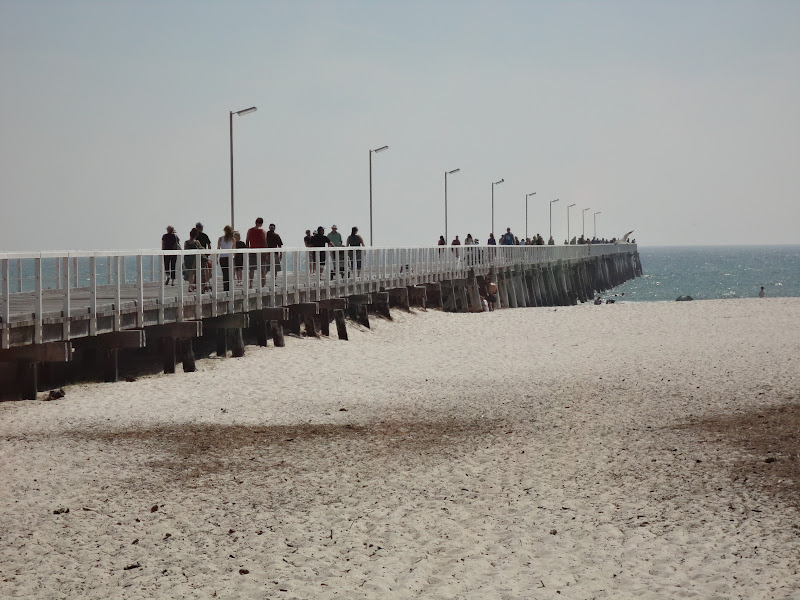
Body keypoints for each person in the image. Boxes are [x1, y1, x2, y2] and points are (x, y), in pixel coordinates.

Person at [246, 217, 268, 287]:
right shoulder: (262, 231)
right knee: (262, 269)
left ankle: (251, 283)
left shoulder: (250, 230)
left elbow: (247, 241)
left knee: (251, 269)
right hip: (261, 252)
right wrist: (266, 253)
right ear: (261, 224)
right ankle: (262, 284)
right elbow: (265, 242)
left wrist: (248, 249)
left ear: (255, 222)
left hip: (252, 251)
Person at [183, 227, 202, 292]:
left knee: (190, 272)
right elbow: (201, 249)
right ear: (196, 235)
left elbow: (185, 250)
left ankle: (191, 285)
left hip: (187, 259)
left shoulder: (186, 242)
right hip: (194, 259)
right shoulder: (196, 242)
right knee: (193, 273)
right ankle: (191, 286)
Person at [217, 225, 234, 292]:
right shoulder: (233, 239)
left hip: (222, 257)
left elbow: (218, 248)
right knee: (230, 273)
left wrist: (216, 258)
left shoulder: (220, 239)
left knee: (224, 273)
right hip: (230, 257)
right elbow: (234, 249)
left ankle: (225, 287)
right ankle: (229, 287)